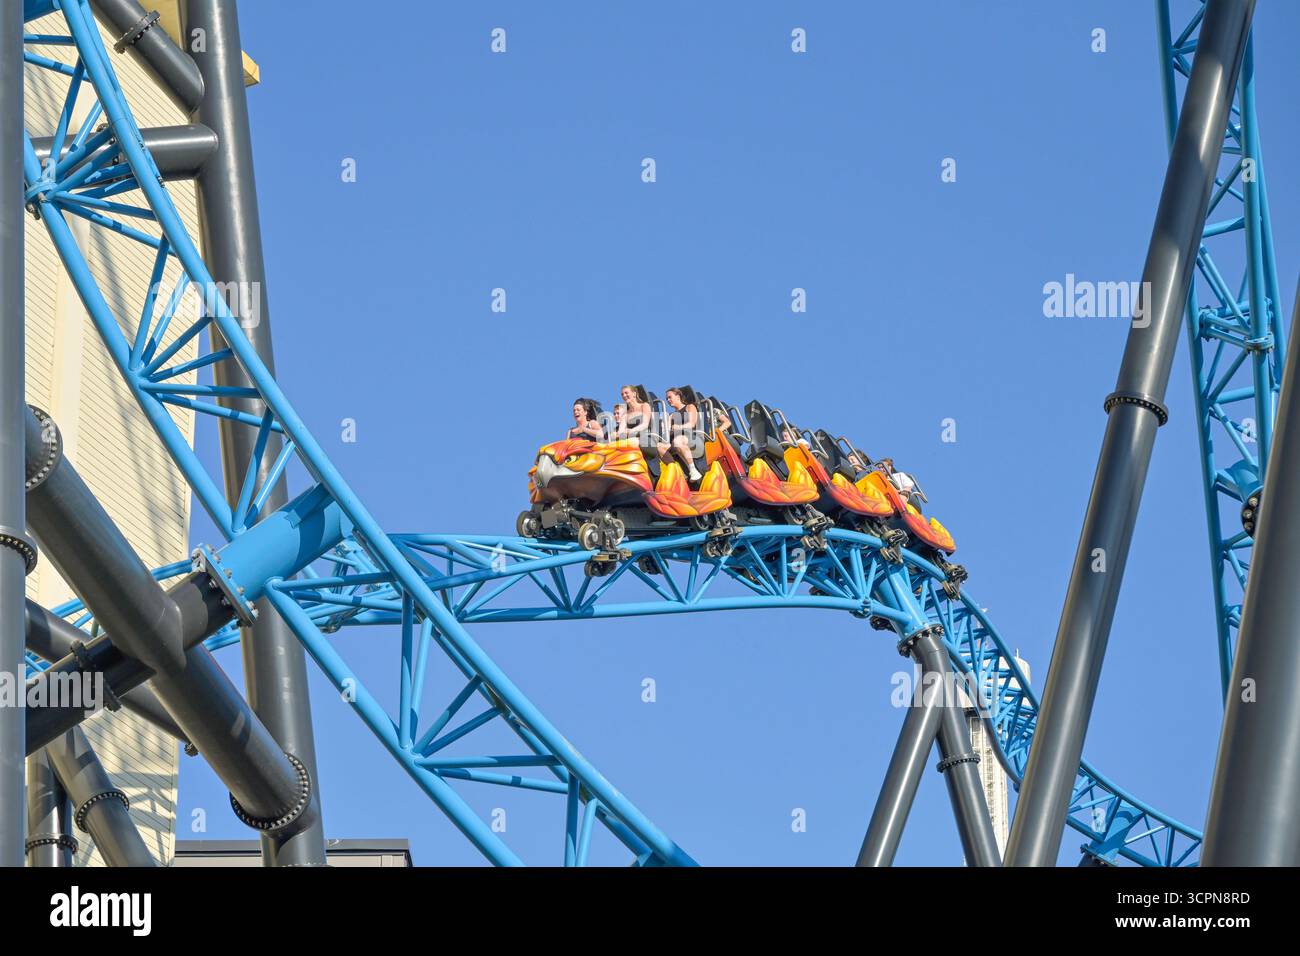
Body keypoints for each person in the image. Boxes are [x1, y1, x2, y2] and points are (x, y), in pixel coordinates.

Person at [658, 387, 702, 482]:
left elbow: (692, 423)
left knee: (677, 441)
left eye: (670, 397)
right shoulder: (671, 415)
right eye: (667, 399)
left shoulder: (689, 407)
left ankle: (693, 470)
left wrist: (679, 427)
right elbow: (667, 430)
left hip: (691, 437)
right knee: (659, 446)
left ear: (678, 396)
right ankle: (678, 472)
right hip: (675, 440)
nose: (668, 400)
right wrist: (663, 427)